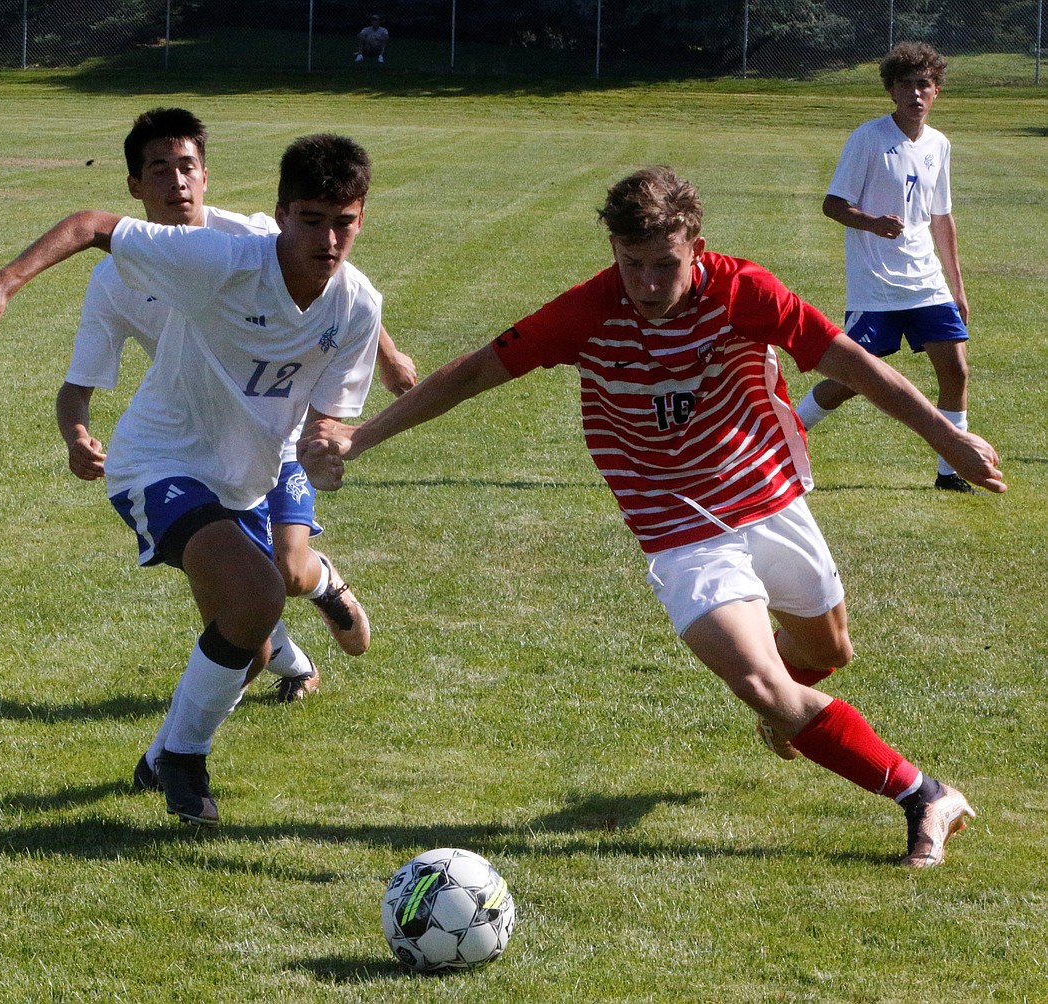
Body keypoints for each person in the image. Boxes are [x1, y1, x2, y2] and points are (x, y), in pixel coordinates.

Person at [301, 166, 1005, 868]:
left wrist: (949, 439)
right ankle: (923, 794)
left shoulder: (744, 291)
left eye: (664, 265)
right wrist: (358, 440)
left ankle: (792, 711)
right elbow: (473, 372)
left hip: (768, 493)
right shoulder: (588, 310)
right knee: (759, 681)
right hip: (678, 523)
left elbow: (851, 364)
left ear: (697, 246)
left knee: (827, 654)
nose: (646, 284)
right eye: (631, 264)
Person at [0, 133, 385, 828]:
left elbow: (326, 421)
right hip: (159, 462)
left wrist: (326, 451)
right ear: (280, 215)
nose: (328, 239)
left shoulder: (357, 305)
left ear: (361, 218)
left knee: (253, 637)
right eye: (311, 220)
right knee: (258, 591)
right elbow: (90, 226)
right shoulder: (220, 259)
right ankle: (184, 758)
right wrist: (2, 284)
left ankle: (163, 755)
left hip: (249, 474)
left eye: (344, 222)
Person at [56, 109, 416, 705]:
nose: (177, 182)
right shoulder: (115, 278)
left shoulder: (247, 238)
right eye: (160, 169)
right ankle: (287, 666)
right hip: (200, 446)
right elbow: (80, 383)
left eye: (188, 167)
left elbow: (338, 285)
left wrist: (389, 353)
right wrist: (77, 434)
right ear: (135, 186)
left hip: (282, 434)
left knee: (290, 572)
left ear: (206, 175)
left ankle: (323, 583)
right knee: (241, 599)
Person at [795, 41, 975, 493]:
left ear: (936, 93)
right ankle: (783, 435)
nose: (916, 94)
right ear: (892, 91)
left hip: (926, 281)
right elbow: (832, 205)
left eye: (924, 85)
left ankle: (950, 470)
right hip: (875, 287)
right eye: (906, 85)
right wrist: (871, 223)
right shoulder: (869, 138)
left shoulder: (939, 144)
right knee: (852, 380)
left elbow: (941, 217)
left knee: (956, 370)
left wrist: (957, 285)